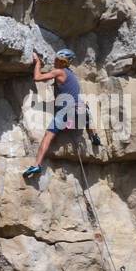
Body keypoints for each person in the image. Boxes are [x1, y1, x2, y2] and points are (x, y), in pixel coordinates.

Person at [23, 49, 82, 179]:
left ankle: (37, 165)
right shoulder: (71, 73)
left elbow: (37, 77)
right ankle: (94, 136)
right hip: (80, 111)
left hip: (67, 111)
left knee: (48, 136)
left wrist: (37, 62)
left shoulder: (58, 71)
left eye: (56, 60)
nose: (54, 61)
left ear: (62, 62)